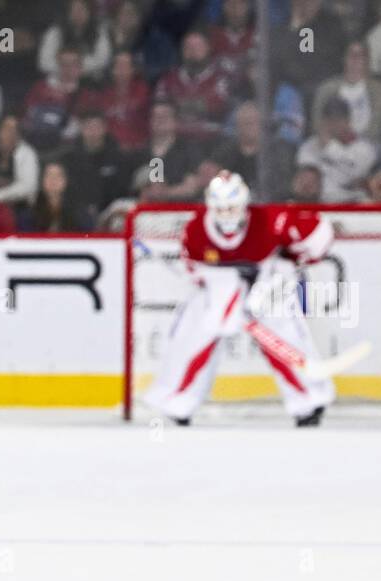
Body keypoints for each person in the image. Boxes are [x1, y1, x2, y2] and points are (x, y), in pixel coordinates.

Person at [143, 171, 336, 428]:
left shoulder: (269, 220)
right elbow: (195, 272)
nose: (227, 215)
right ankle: (177, 400)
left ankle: (309, 400)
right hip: (219, 284)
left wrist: (294, 261)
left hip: (268, 278)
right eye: (220, 209)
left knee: (283, 328)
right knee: (194, 331)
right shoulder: (196, 230)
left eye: (232, 207)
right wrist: (232, 292)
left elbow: (318, 233)